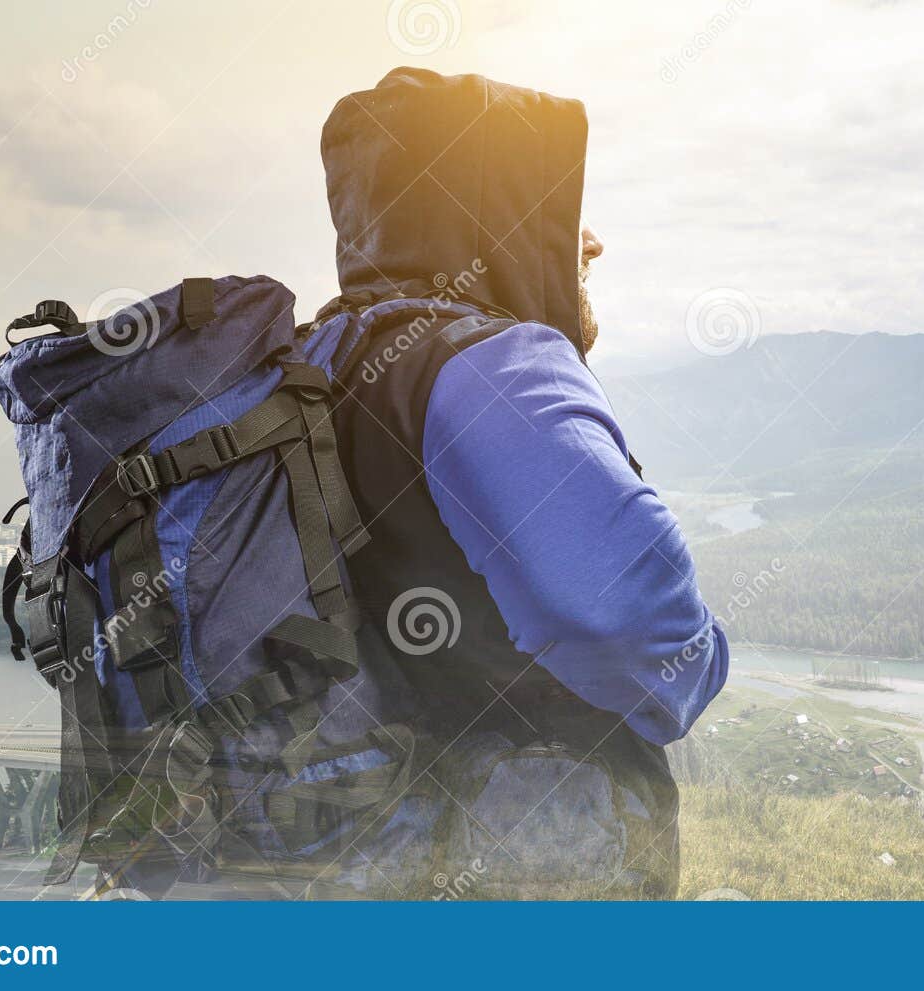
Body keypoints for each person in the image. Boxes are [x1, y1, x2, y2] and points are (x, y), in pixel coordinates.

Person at [301, 67, 729, 898]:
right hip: (528, 857)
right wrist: (705, 660)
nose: (592, 243)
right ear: (491, 221)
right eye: (561, 212)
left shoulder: (322, 361)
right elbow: (624, 621)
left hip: (363, 849)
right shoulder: (499, 364)